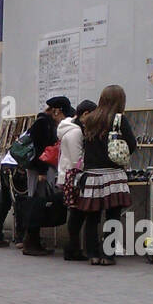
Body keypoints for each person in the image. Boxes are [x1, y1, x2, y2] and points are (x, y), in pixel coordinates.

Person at [78, 85, 136, 265]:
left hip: (91, 174)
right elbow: (131, 144)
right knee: (113, 215)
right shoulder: (119, 119)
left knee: (92, 216)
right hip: (113, 174)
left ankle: (92, 254)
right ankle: (108, 254)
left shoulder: (89, 120)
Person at [20, 95, 71, 257]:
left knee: (37, 201)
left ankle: (32, 240)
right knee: (37, 202)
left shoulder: (42, 122)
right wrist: (42, 172)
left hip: (38, 169)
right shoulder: (43, 124)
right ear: (56, 111)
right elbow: (41, 149)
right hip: (38, 170)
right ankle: (31, 242)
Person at [60, 99, 95, 261]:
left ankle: (73, 248)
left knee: (76, 213)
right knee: (77, 214)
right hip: (75, 176)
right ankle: (73, 249)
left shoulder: (69, 128)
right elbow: (76, 159)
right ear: (85, 114)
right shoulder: (76, 132)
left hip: (68, 175)